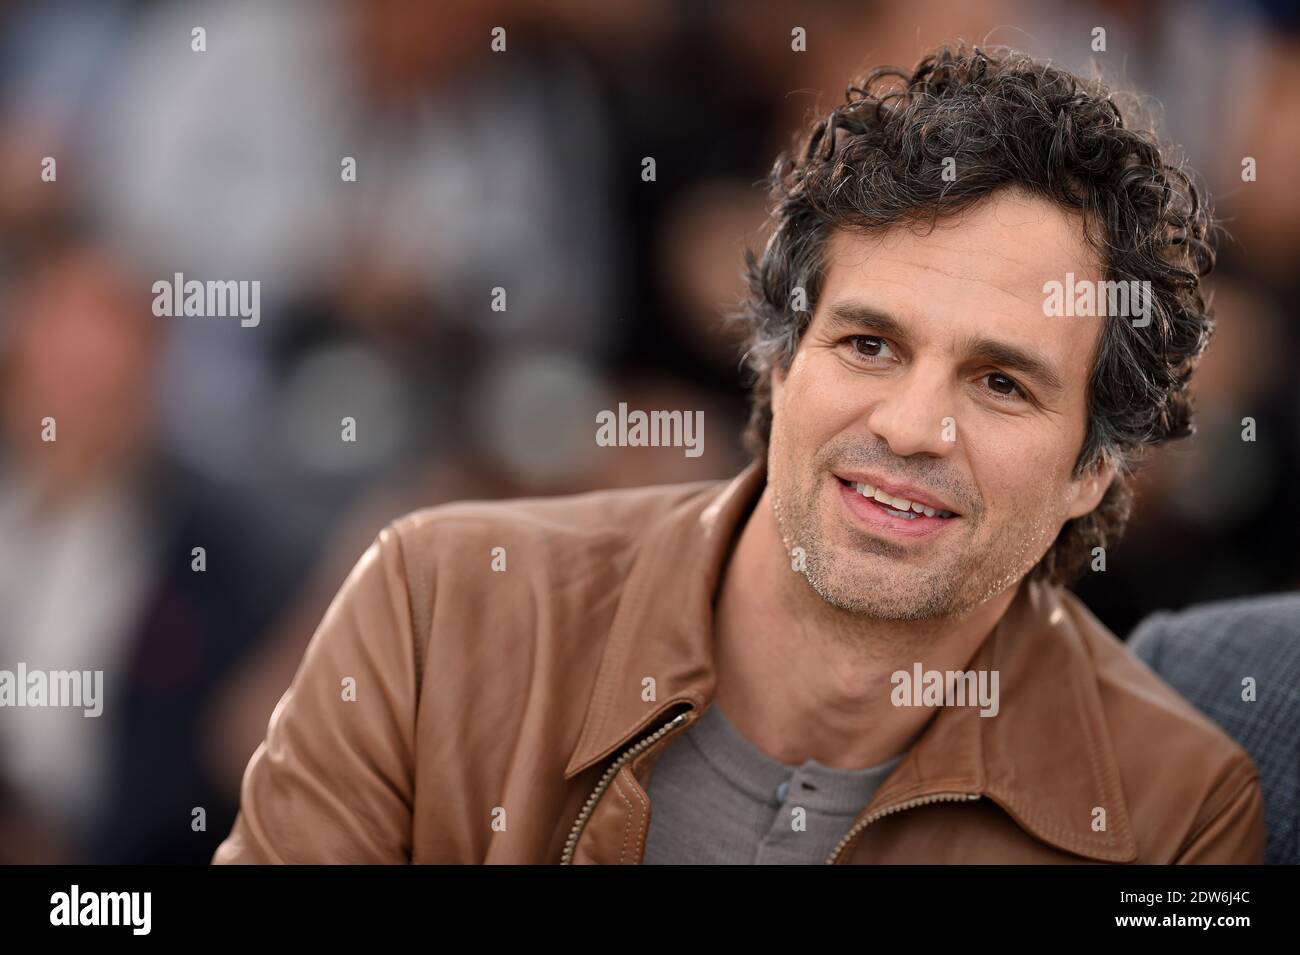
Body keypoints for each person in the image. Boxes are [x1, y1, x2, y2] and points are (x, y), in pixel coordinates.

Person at [213, 44, 1264, 864]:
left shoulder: (1172, 807)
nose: (908, 425)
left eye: (1000, 382)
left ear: (1094, 467)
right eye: (868, 343)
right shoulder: (436, 606)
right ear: (776, 366)